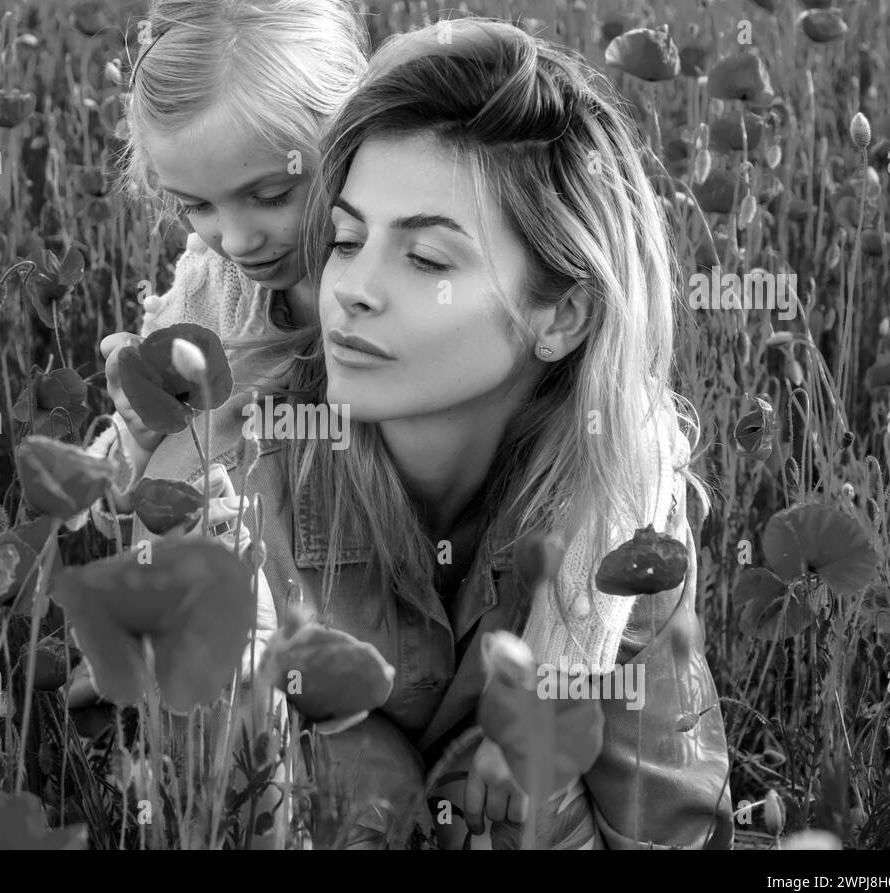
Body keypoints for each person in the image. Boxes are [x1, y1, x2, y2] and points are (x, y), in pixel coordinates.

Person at [88, 16, 734, 850]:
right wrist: (139, 449)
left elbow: (667, 815)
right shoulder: (228, 395)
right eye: (346, 239)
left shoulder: (618, 498)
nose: (348, 289)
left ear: (564, 312)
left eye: (425, 260)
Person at [91, 0, 369, 487]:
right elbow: (114, 512)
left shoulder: (408, 280)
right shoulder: (207, 290)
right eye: (196, 206)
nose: (238, 242)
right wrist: (139, 439)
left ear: (353, 137)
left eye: (271, 195)